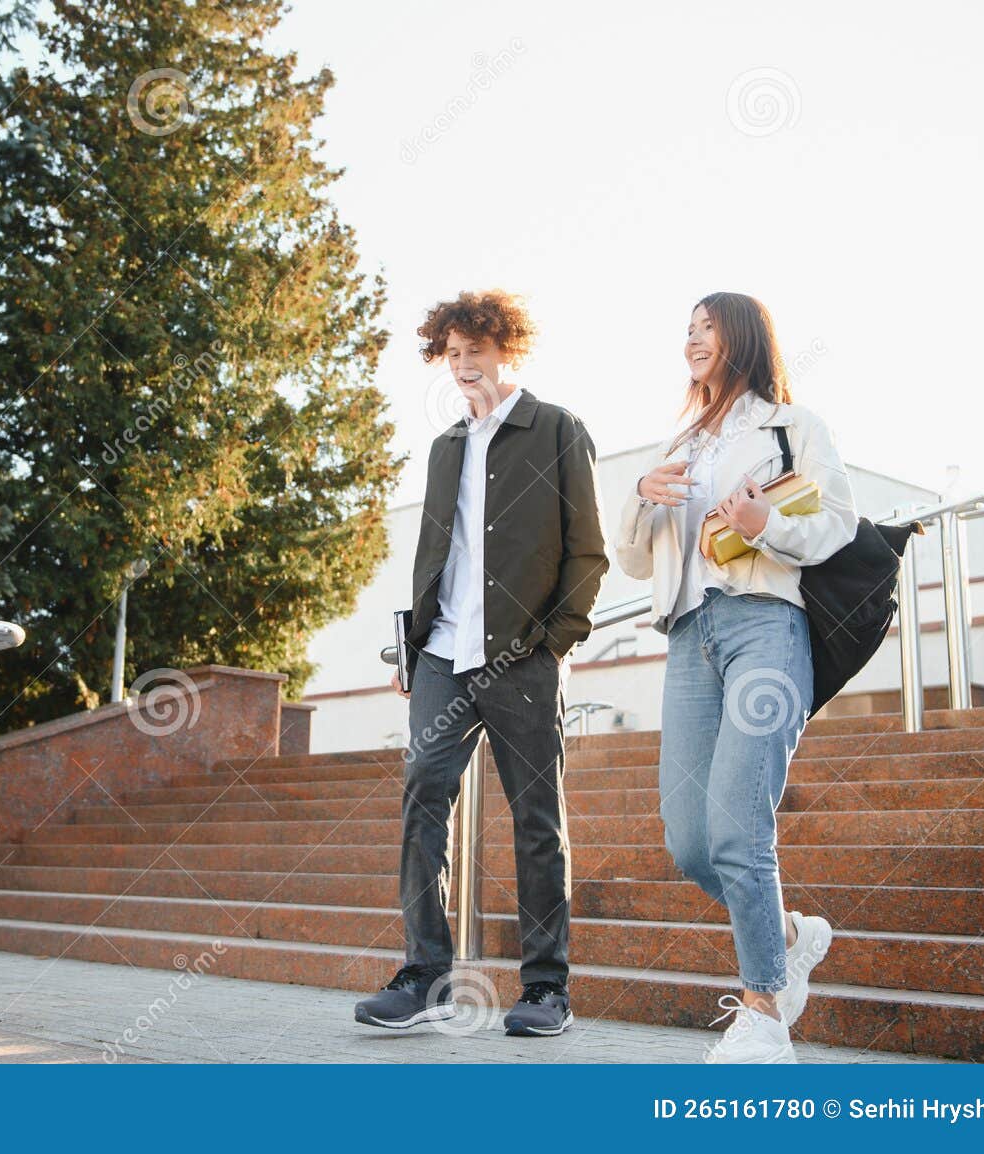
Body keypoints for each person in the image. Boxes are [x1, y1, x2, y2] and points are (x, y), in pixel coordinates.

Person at [354, 289, 608, 1037]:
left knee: (536, 818)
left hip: (522, 657)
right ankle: (426, 973)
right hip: (442, 656)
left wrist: (553, 644)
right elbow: (436, 556)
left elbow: (586, 552)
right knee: (422, 794)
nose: (464, 365)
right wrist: (415, 643)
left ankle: (546, 989)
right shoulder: (445, 448)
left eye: (477, 350)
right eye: (453, 353)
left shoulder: (557, 428)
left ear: (509, 349)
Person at [616, 292, 856, 1062]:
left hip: (764, 627)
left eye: (706, 327)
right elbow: (632, 559)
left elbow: (840, 524)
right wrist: (638, 500)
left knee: (738, 827)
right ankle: (788, 935)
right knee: (690, 841)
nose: (691, 339)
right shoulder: (681, 439)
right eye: (685, 328)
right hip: (689, 637)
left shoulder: (793, 427)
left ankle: (763, 1012)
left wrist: (766, 526)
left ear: (741, 337)